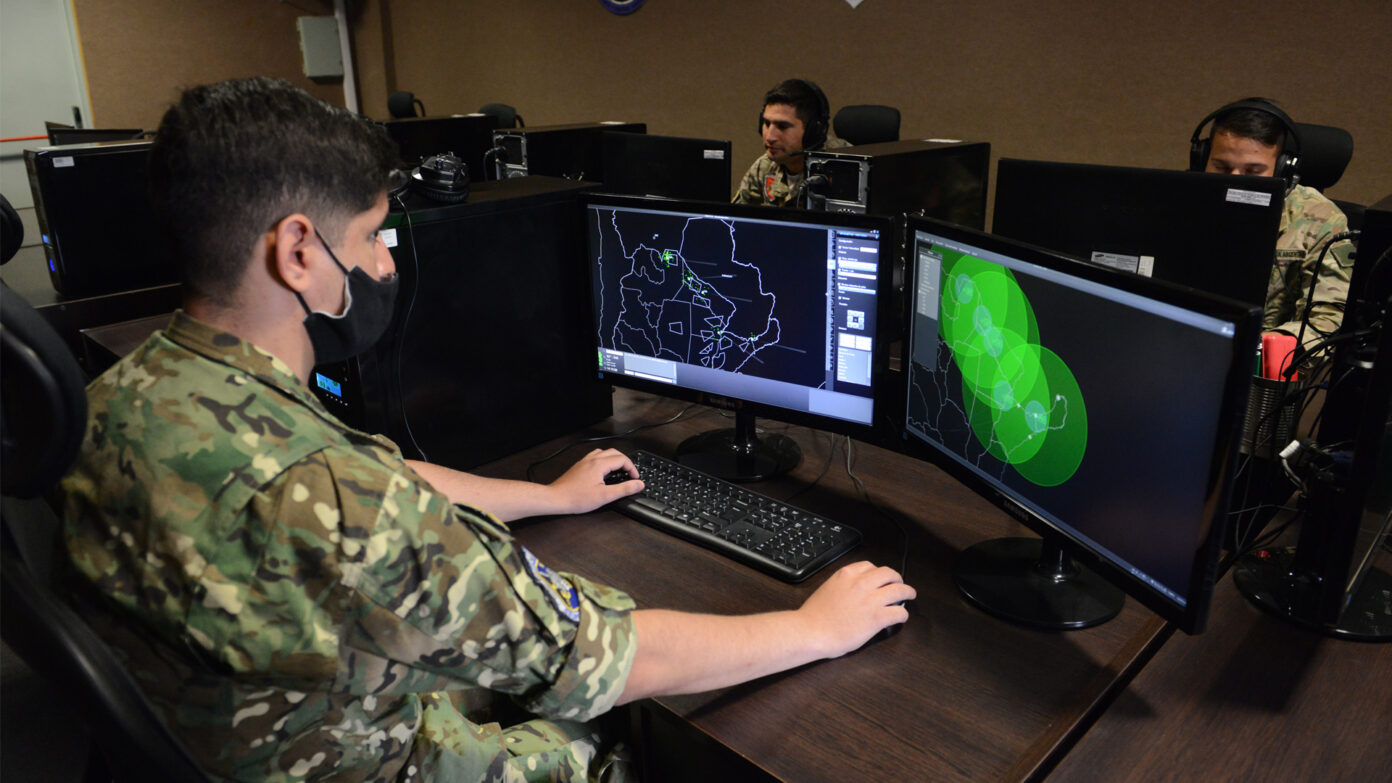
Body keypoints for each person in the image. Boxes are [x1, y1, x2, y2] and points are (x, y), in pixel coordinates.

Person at [59, 77, 913, 783]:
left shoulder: (129, 388)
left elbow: (366, 474)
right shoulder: (348, 505)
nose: (389, 262)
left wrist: (547, 495)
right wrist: (816, 625)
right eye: (371, 236)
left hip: (225, 732)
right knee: (626, 730)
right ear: (297, 251)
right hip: (350, 757)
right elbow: (606, 659)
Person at [1193, 98, 1355, 350]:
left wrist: (1259, 351)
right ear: (1202, 159)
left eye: (1253, 171)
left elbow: (1330, 318)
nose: (1235, 182)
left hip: (1262, 369)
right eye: (1222, 167)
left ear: (1282, 170)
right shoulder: (1179, 203)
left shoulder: (1321, 220)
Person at [732, 78, 850, 207]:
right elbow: (734, 217)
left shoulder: (845, 168)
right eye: (766, 123)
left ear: (812, 131)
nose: (770, 137)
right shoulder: (765, 166)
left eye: (782, 126)